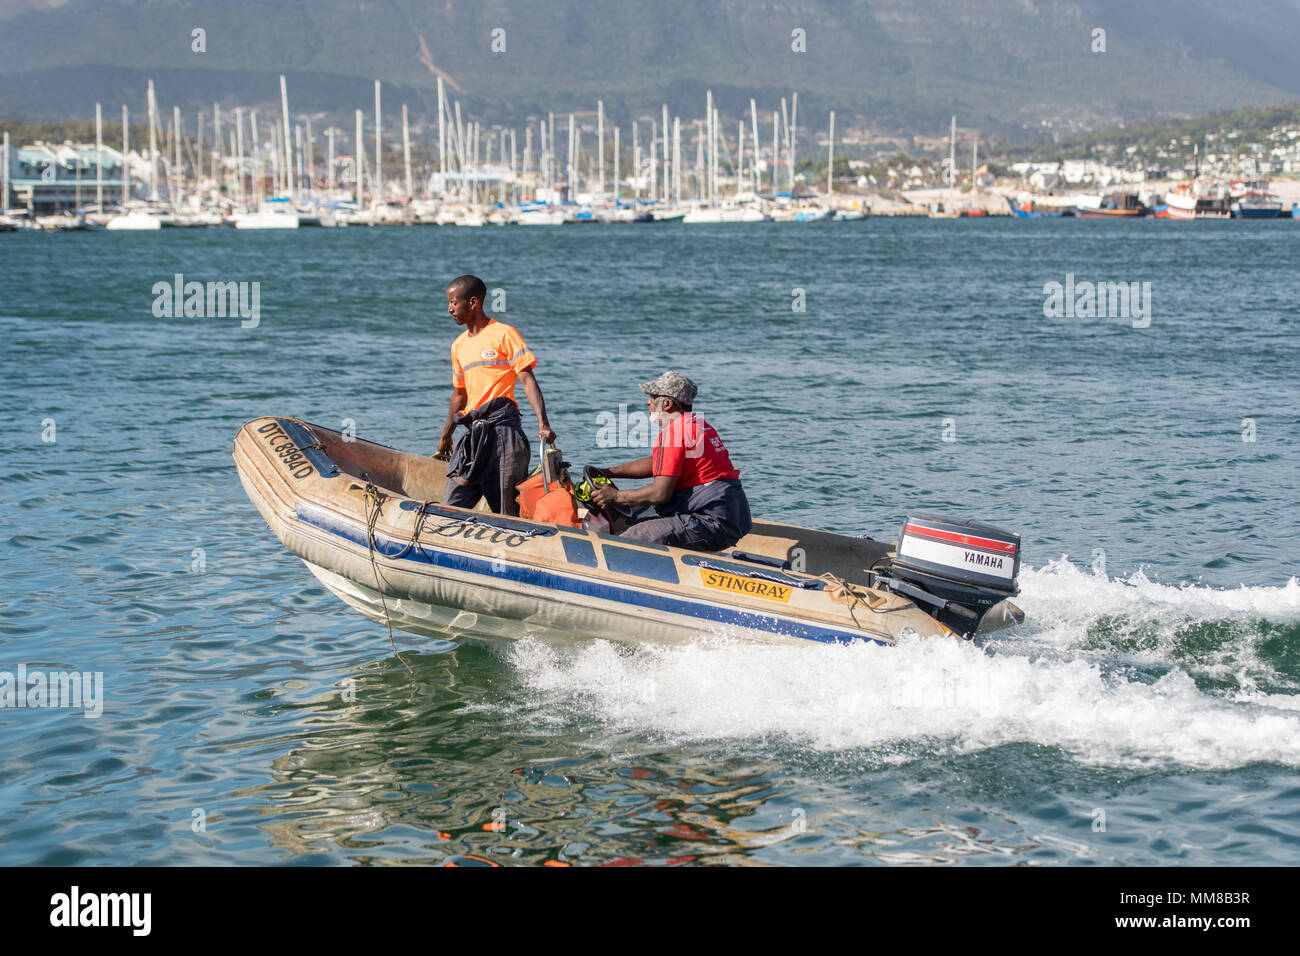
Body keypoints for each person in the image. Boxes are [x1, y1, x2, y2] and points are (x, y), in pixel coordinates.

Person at [435, 274, 555, 515]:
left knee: (507, 511)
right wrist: (446, 436)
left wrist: (543, 423)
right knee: (450, 508)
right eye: (448, 303)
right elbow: (459, 395)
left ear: (473, 302)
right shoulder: (458, 346)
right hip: (473, 437)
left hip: (504, 434)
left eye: (453, 302)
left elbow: (527, 380)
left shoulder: (504, 333)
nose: (449, 309)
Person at [590, 371, 751, 551]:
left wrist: (616, 497)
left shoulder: (674, 433)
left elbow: (660, 494)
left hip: (709, 522)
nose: (648, 402)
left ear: (667, 404)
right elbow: (658, 463)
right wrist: (608, 473)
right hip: (733, 517)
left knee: (625, 542)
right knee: (639, 514)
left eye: (652, 397)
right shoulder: (697, 425)